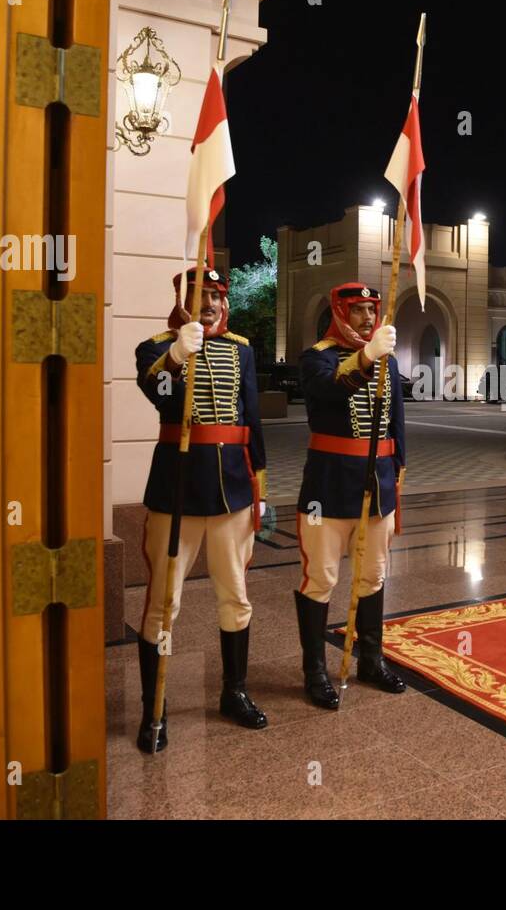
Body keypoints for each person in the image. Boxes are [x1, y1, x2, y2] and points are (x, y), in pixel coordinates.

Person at [132, 267, 269, 752]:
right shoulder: (154, 347)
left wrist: (260, 483)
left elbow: (250, 419)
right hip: (178, 491)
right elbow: (157, 394)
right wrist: (174, 356)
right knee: (164, 602)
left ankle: (234, 692)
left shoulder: (242, 348)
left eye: (215, 295)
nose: (208, 302)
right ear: (181, 297)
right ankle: (155, 708)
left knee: (235, 596)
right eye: (198, 294)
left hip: (232, 488)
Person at [293, 282, 407, 709]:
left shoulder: (387, 361)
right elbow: (328, 392)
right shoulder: (316, 357)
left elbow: (397, 424)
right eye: (357, 309)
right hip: (327, 488)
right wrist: (367, 357)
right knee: (320, 578)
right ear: (339, 311)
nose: (366, 318)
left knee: (373, 575)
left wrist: (397, 476)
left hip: (377, 484)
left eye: (371, 310)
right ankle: (315, 671)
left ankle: (371, 660)